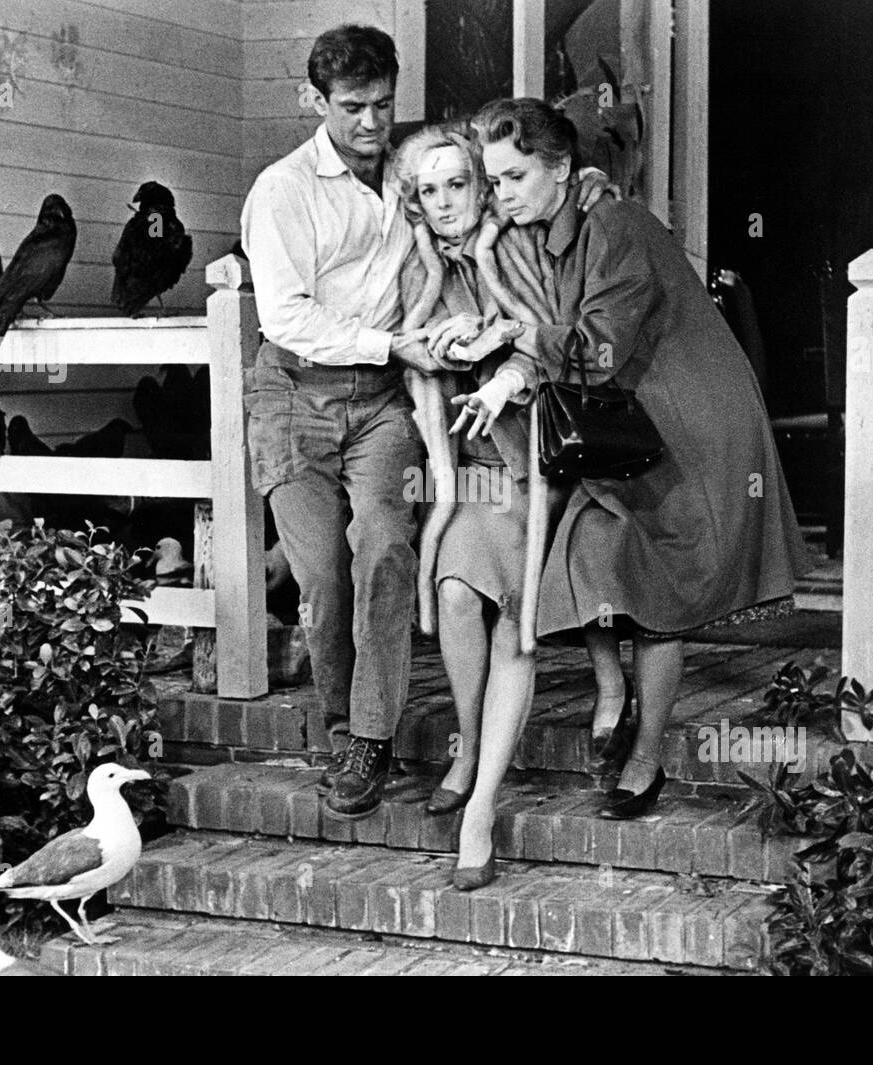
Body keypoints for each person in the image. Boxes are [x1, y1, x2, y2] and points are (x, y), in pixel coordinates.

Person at [470, 97, 812, 819]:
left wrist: (516, 336)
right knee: (593, 555)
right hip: (636, 422)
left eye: (513, 176)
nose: (499, 194)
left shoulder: (614, 223)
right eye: (493, 179)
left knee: (659, 599)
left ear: (560, 168)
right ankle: (614, 691)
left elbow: (599, 346)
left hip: (691, 428)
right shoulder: (566, 228)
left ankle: (648, 756)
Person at [239, 25, 438, 820]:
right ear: (315, 101)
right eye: (351, 107)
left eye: (383, 105)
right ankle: (339, 723)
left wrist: (586, 181)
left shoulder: (411, 171)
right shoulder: (283, 190)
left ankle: (368, 738)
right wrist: (388, 339)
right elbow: (285, 316)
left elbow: (497, 171)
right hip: (293, 395)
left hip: (383, 398)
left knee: (386, 544)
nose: (370, 123)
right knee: (320, 577)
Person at [393, 124, 554, 889]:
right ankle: (468, 736)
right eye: (430, 190)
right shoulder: (419, 269)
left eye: (459, 183)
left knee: (514, 625)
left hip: (533, 472)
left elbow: (550, 340)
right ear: (416, 203)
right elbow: (406, 355)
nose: (447, 201)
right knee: (455, 595)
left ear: (481, 186)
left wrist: (495, 341)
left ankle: (481, 808)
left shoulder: (513, 247)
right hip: (466, 476)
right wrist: (436, 340)